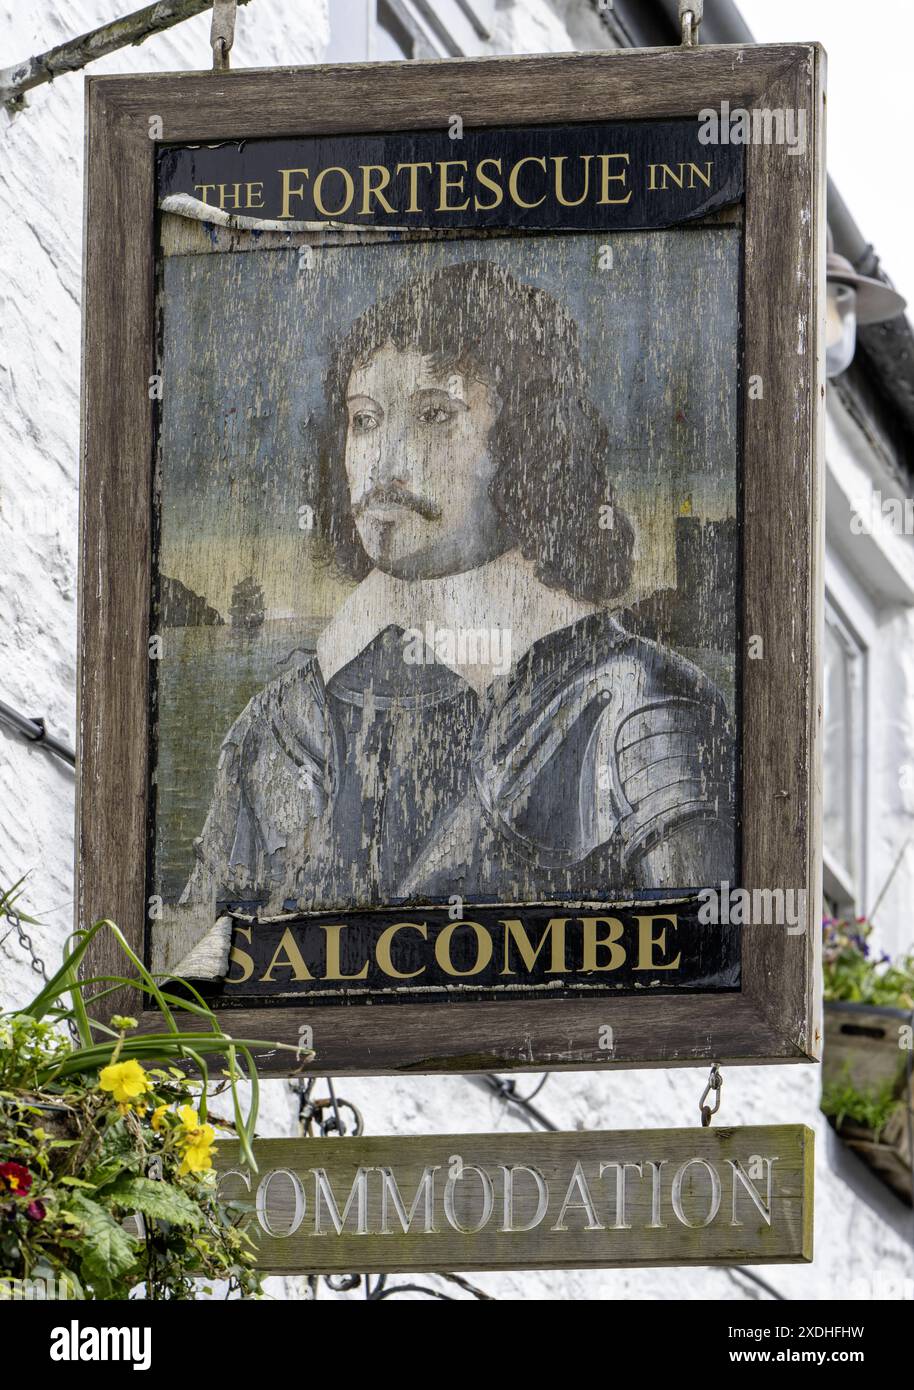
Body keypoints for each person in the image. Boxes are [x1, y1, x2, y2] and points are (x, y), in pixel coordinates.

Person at [180, 259, 735, 918]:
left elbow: (697, 984)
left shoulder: (637, 713)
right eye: (365, 420)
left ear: (531, 443)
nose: (386, 463)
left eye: (435, 415)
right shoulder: (281, 723)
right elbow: (174, 985)